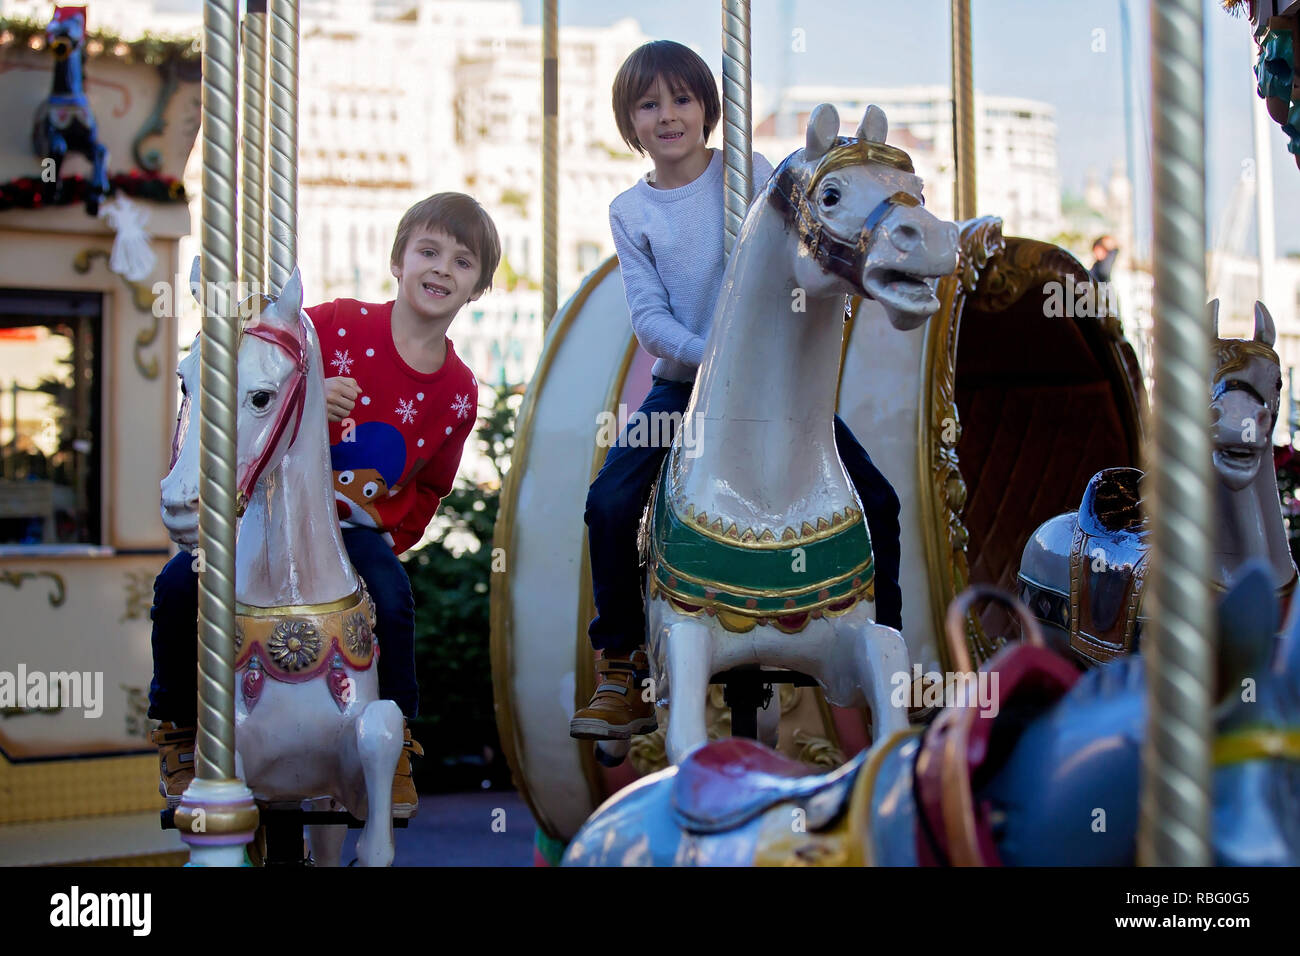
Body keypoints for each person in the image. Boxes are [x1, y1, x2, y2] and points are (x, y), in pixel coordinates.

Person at [569, 40, 904, 741]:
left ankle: (890, 651)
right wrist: (714, 361)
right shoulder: (632, 211)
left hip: (776, 398)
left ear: (709, 109)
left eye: (682, 99)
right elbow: (651, 318)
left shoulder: (747, 173)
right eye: (649, 104)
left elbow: (815, 210)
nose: (668, 115)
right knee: (609, 502)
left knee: (879, 498)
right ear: (629, 123)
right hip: (682, 392)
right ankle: (623, 661)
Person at [149, 193, 501, 818]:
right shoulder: (335, 324)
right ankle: (177, 726)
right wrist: (311, 384)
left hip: (352, 532)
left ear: (478, 287)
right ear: (398, 260)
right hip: (274, 507)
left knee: (392, 597)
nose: (442, 268)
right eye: (429, 251)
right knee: (180, 582)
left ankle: (398, 742)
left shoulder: (457, 390)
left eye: (463, 261)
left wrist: (391, 538)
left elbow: (432, 486)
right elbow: (266, 354)